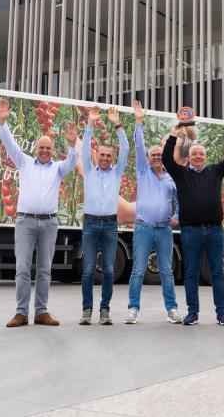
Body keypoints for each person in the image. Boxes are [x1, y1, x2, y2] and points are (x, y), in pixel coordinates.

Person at [0, 98, 77, 328]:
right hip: (26, 222)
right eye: (41, 147)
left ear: (53, 151)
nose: (44, 151)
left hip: (49, 223)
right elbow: (10, 144)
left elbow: (73, 161)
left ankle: (41, 312)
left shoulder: (59, 169)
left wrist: (72, 145)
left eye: (48, 148)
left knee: (44, 270)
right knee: (22, 269)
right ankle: (21, 313)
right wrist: (2, 124)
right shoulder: (24, 163)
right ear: (35, 149)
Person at [162, 114, 224, 326]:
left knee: (217, 272)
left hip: (215, 230)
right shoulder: (181, 174)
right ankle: (193, 313)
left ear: (205, 157)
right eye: (195, 154)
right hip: (191, 231)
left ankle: (222, 313)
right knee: (191, 273)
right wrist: (174, 133)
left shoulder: (215, 171)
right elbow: (166, 159)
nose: (198, 156)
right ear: (189, 158)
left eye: (201, 154)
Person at [124, 100, 183, 325]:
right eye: (154, 155)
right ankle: (132, 309)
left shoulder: (170, 179)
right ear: (148, 159)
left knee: (167, 271)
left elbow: (179, 201)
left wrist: (178, 215)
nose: (157, 157)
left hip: (165, 229)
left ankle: (172, 309)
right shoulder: (142, 171)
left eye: (160, 155)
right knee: (138, 269)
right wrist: (139, 123)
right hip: (144, 227)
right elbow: (139, 146)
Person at [79, 106, 129, 326]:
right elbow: (83, 150)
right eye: (102, 155)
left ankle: (105, 311)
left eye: (109, 155)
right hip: (90, 225)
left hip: (109, 226)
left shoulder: (117, 173)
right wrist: (90, 123)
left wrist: (117, 124)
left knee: (108, 270)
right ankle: (87, 310)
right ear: (96, 156)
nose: (106, 158)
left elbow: (125, 148)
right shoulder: (89, 171)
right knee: (88, 270)